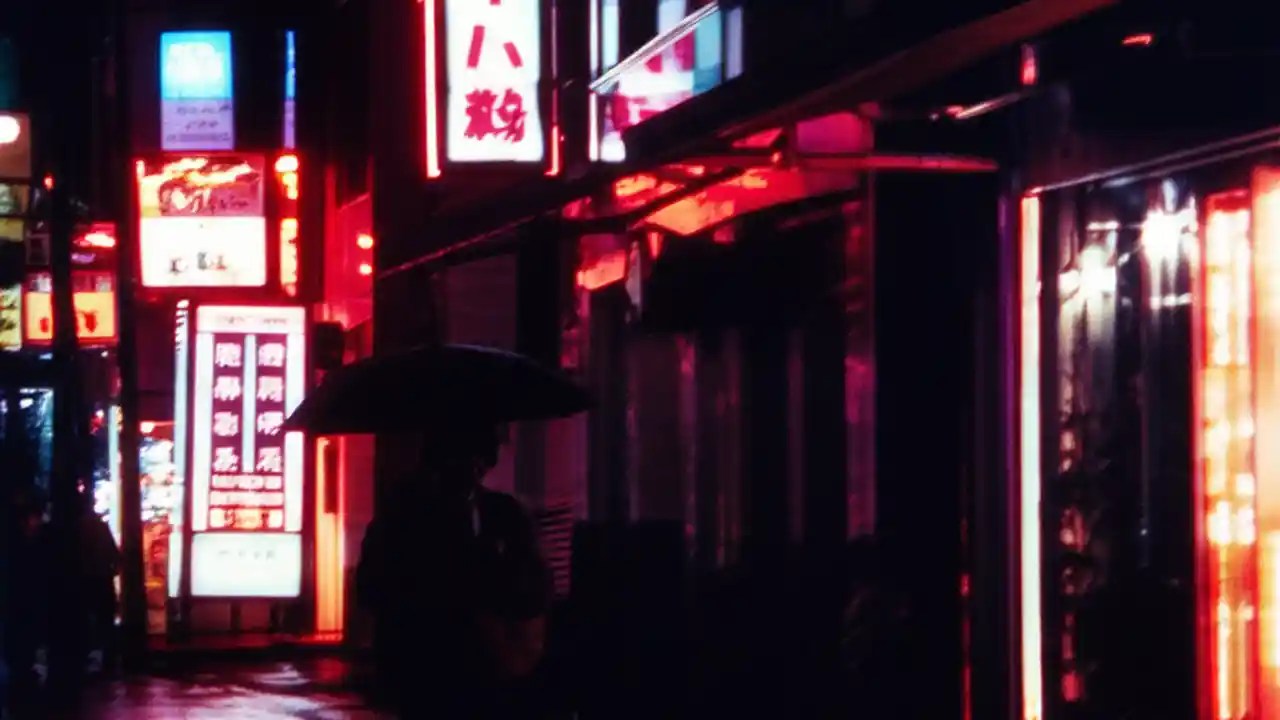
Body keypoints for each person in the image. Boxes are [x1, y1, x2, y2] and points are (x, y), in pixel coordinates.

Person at [358, 418, 552, 719]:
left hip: (488, 669)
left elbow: (533, 585)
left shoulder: (503, 514)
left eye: (478, 457)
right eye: (460, 456)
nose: (470, 467)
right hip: (424, 669)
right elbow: (372, 586)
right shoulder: (404, 516)